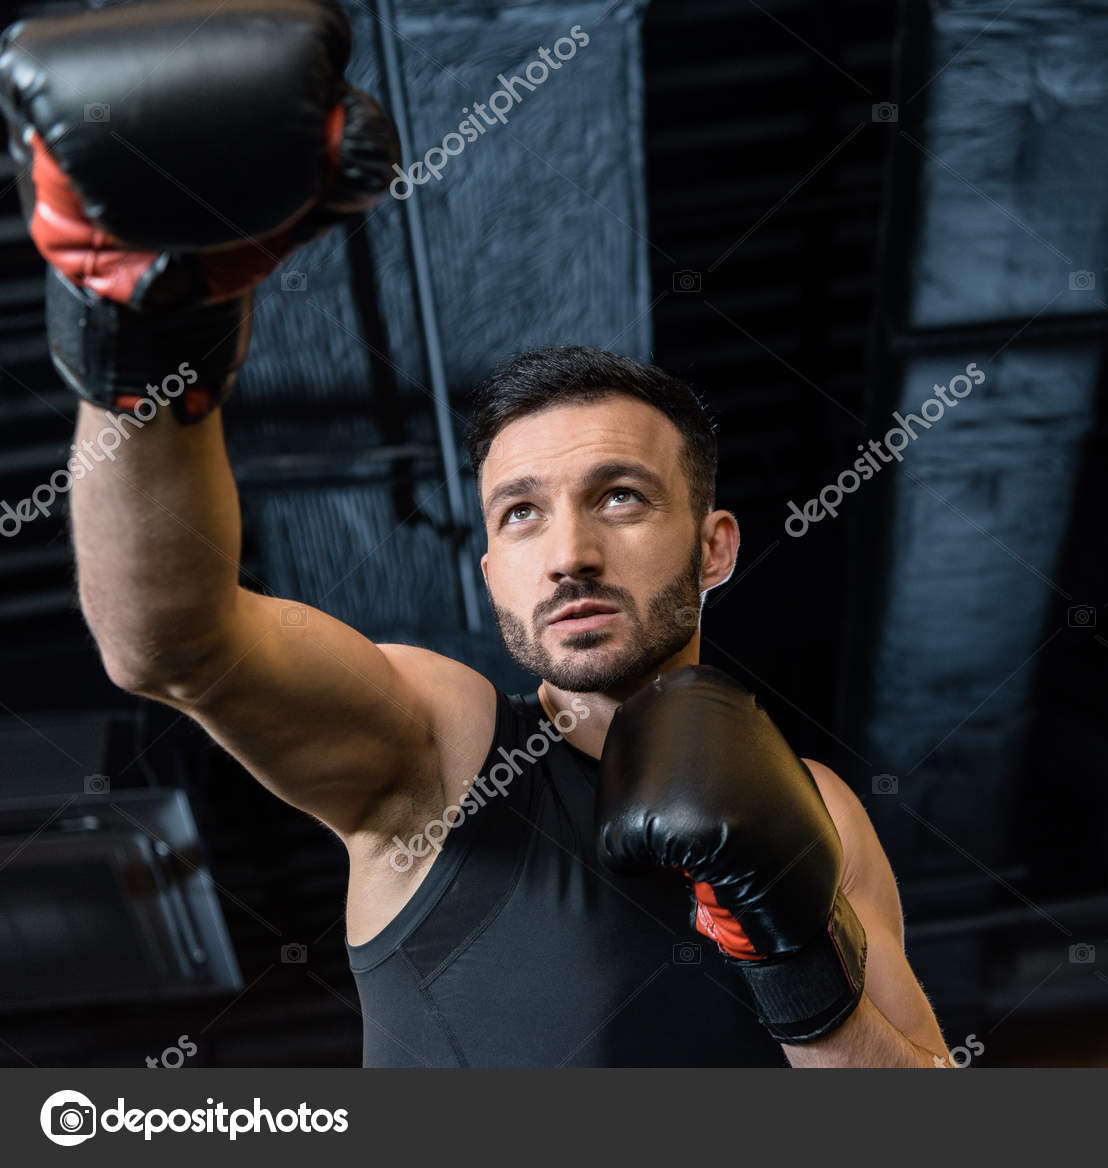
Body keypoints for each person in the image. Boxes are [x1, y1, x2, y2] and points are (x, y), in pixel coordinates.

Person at [0, 0, 949, 1067]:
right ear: (489, 568)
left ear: (715, 545)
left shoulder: (815, 808)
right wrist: (146, 343)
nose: (570, 551)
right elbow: (173, 644)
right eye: (521, 514)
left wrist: (790, 955)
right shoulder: (446, 748)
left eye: (622, 496)